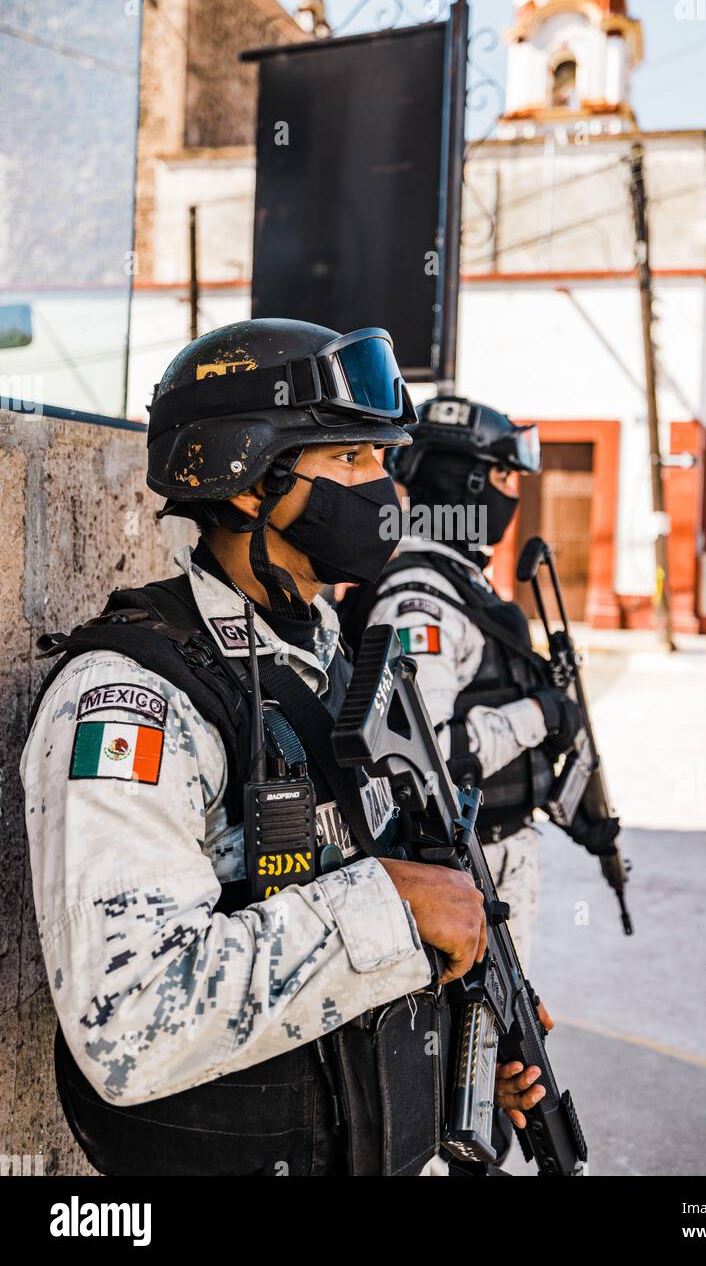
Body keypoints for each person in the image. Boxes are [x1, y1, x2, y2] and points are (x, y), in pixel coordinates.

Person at [21, 321, 547, 1178]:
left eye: (384, 460)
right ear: (247, 481)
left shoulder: (331, 655)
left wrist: (474, 1010)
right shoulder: (137, 698)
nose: (386, 488)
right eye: (349, 461)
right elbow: (126, 1024)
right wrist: (396, 905)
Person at [341, 396, 620, 968]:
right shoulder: (419, 599)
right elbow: (425, 759)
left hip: (494, 863)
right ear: (466, 483)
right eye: (502, 475)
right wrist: (539, 715)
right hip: (461, 877)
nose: (513, 492)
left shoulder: (464, 585)